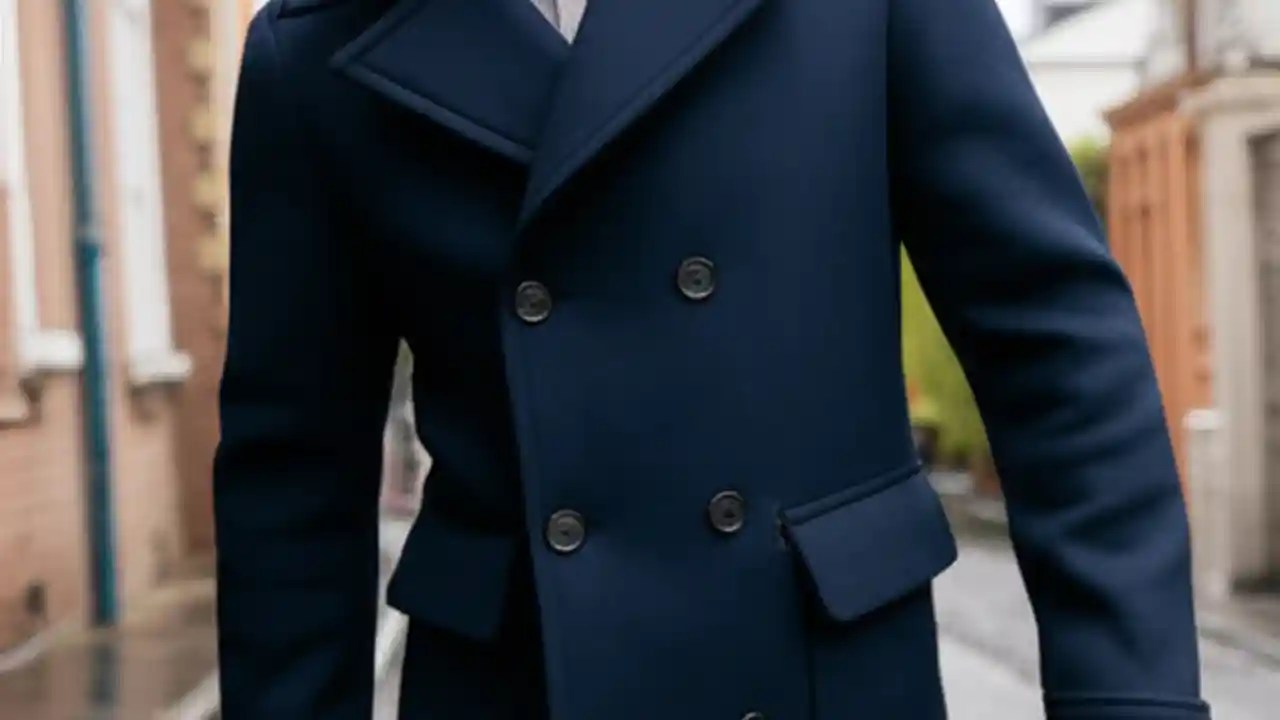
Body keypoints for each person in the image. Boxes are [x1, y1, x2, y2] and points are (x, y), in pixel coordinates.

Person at [213, 0, 1210, 718]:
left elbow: (1055, 341)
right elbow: (290, 485)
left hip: (817, 677)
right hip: (509, 684)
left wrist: (1128, 696)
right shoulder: (318, 43)